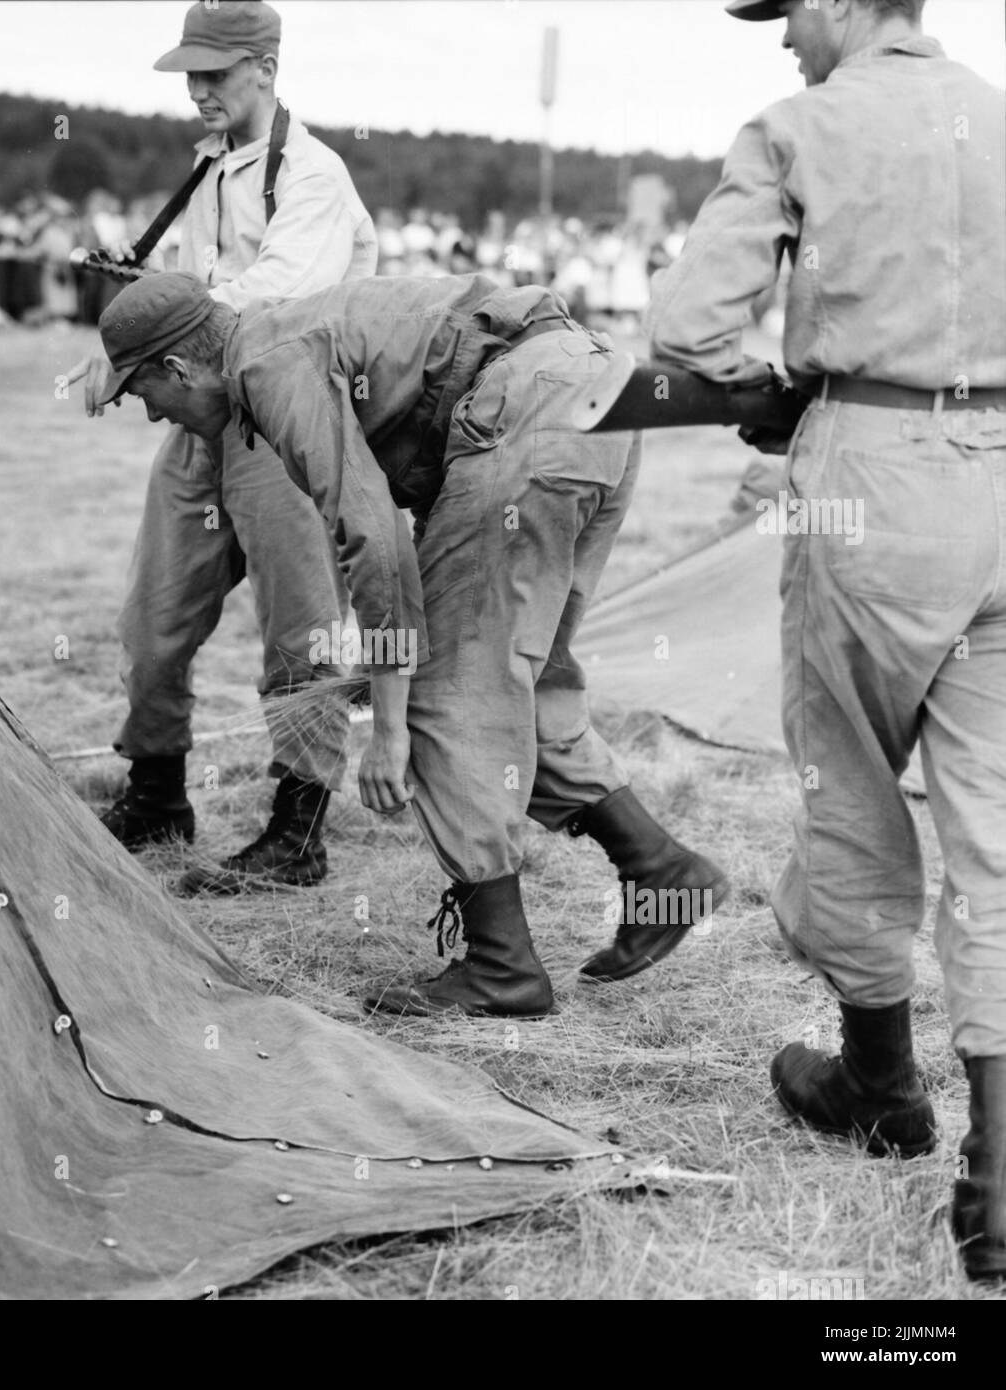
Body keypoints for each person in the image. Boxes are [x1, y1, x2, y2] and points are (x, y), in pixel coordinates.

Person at [85, 270, 731, 1016]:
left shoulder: (265, 363)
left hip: (526, 415)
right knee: (520, 677)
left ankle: (500, 966)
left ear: (178, 367)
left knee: (441, 689)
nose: (151, 417)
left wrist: (390, 724)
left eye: (143, 396)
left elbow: (377, 545)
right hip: (590, 400)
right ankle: (659, 870)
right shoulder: (275, 334)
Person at [649, 0, 1005, 1283]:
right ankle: (998, 1187)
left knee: (849, 780)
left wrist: (780, 390)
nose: (783, 33)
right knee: (996, 826)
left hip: (875, 479)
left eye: (790, 7)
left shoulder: (800, 124)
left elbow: (687, 332)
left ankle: (881, 1083)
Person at [68, 1, 376, 895]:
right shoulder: (208, 170)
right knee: (152, 622)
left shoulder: (314, 175)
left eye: (216, 72)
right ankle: (158, 791)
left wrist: (151, 321)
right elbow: (205, 295)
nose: (198, 89)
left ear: (266, 68)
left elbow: (274, 299)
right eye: (190, 73)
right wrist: (143, 285)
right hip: (203, 413)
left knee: (301, 631)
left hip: (284, 422)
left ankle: (299, 824)